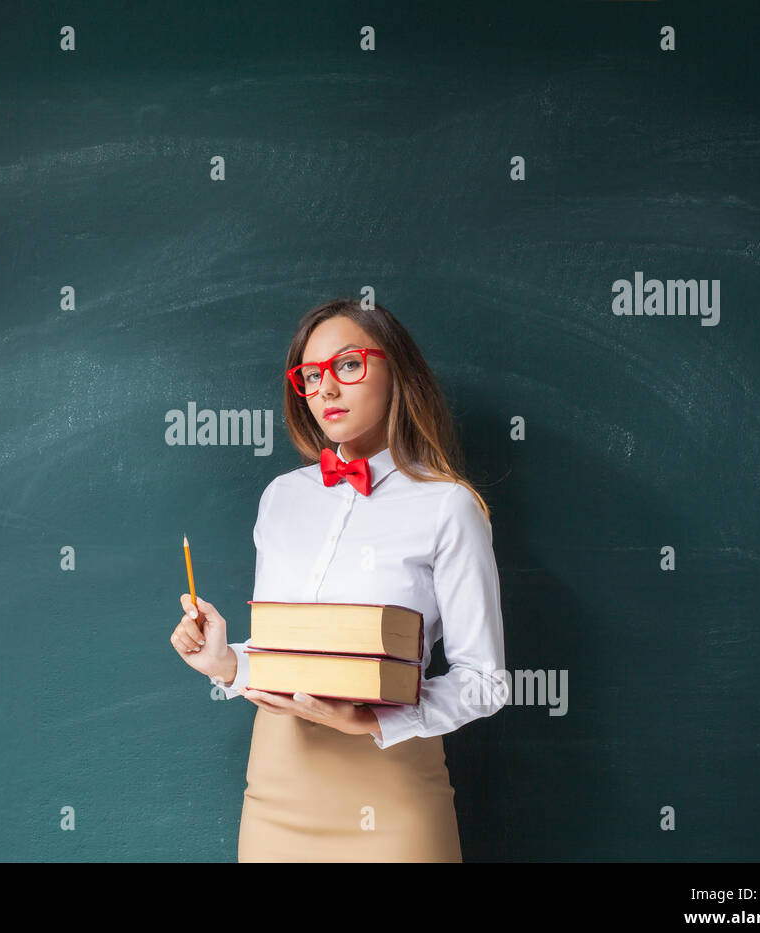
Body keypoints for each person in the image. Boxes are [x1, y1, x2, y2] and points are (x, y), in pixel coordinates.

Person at [170, 297, 508, 862]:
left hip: (394, 790)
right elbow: (291, 657)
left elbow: (487, 682)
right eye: (310, 375)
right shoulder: (280, 499)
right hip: (278, 791)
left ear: (395, 370)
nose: (325, 389)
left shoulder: (449, 507)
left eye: (348, 365)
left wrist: (373, 717)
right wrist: (225, 662)